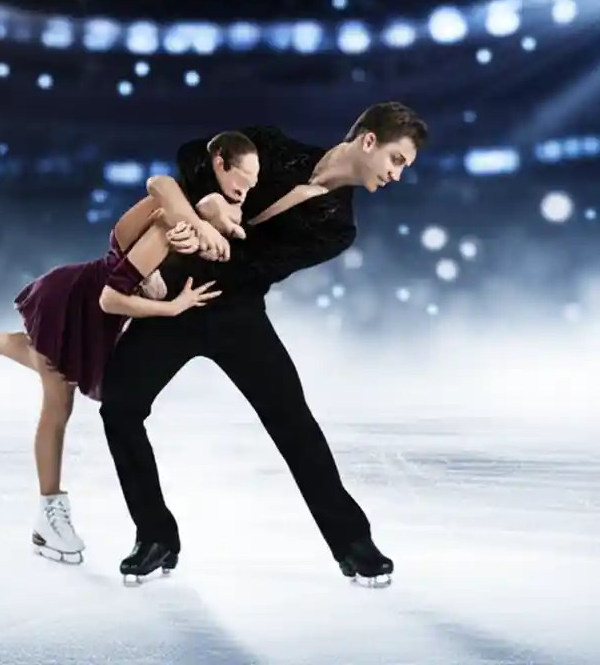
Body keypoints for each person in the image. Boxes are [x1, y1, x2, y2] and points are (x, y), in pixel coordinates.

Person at [100, 101, 428, 586]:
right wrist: (194, 217)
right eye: (397, 160)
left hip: (237, 314)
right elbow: (194, 155)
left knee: (293, 424)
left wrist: (204, 228)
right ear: (369, 141)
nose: (398, 176)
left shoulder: (337, 227)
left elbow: (255, 265)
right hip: (174, 300)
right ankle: (155, 536)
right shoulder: (270, 145)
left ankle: (353, 542)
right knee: (120, 408)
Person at [0, 131, 261, 564]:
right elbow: (111, 295)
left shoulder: (186, 223)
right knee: (57, 402)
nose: (221, 239)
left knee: (50, 364)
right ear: (220, 167)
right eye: (243, 182)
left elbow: (192, 217)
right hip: (76, 301)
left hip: (94, 311)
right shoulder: (175, 218)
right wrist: (173, 307)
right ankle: (49, 517)